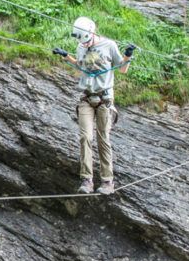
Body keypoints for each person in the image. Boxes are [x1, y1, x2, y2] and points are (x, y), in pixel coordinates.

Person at [55, 17, 134, 195]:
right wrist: (66, 56)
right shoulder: (81, 46)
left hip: (105, 99)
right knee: (85, 137)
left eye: (87, 41)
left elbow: (122, 69)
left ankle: (107, 181)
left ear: (92, 32)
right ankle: (87, 180)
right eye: (83, 42)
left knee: (102, 138)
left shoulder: (109, 45)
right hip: (86, 98)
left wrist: (128, 56)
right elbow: (80, 67)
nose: (85, 45)